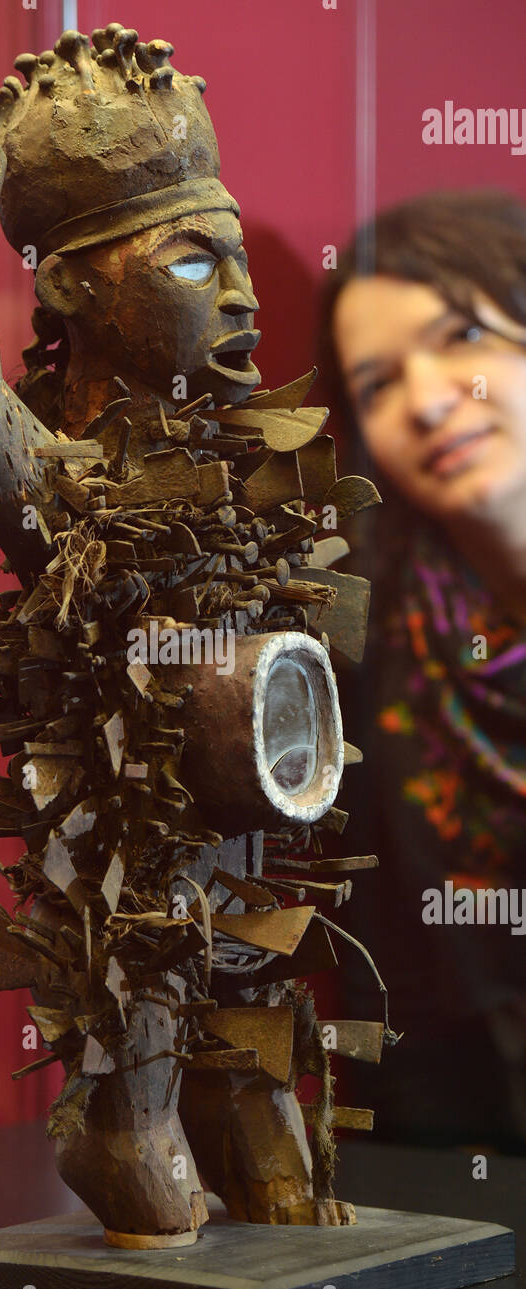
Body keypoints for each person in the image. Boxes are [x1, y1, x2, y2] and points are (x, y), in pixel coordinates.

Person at [319, 189, 526, 1151]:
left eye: (462, 338)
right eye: (379, 384)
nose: (431, 401)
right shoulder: (359, 624)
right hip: (454, 1156)